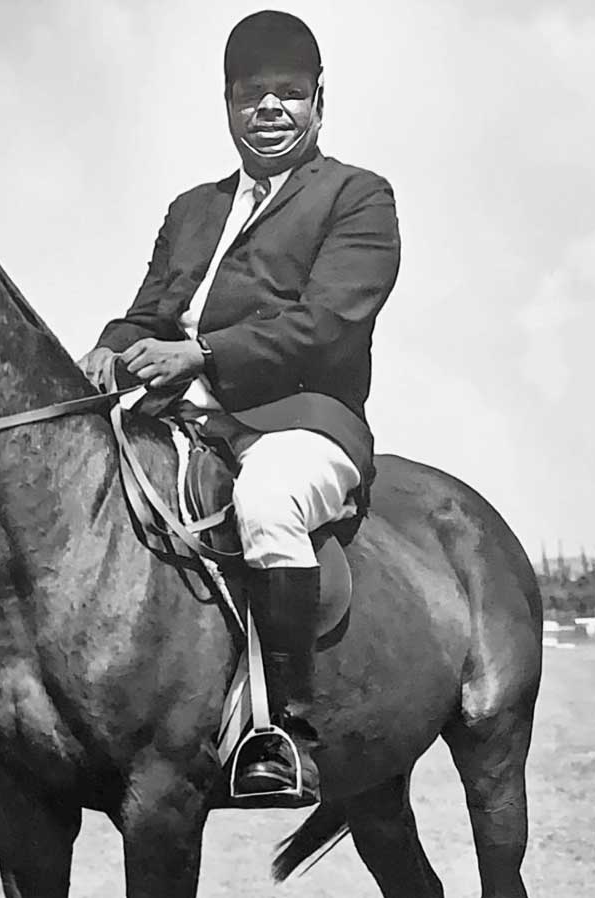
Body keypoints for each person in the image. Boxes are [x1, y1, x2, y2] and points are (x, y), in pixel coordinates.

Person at [78, 10, 400, 801]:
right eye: (252, 93)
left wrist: (202, 355)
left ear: (319, 101)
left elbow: (328, 321)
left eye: (288, 93)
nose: (269, 108)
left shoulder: (359, 196)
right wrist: (106, 344)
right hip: (177, 413)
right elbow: (149, 310)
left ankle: (282, 731)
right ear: (227, 104)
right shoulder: (192, 207)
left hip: (301, 421)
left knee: (267, 502)